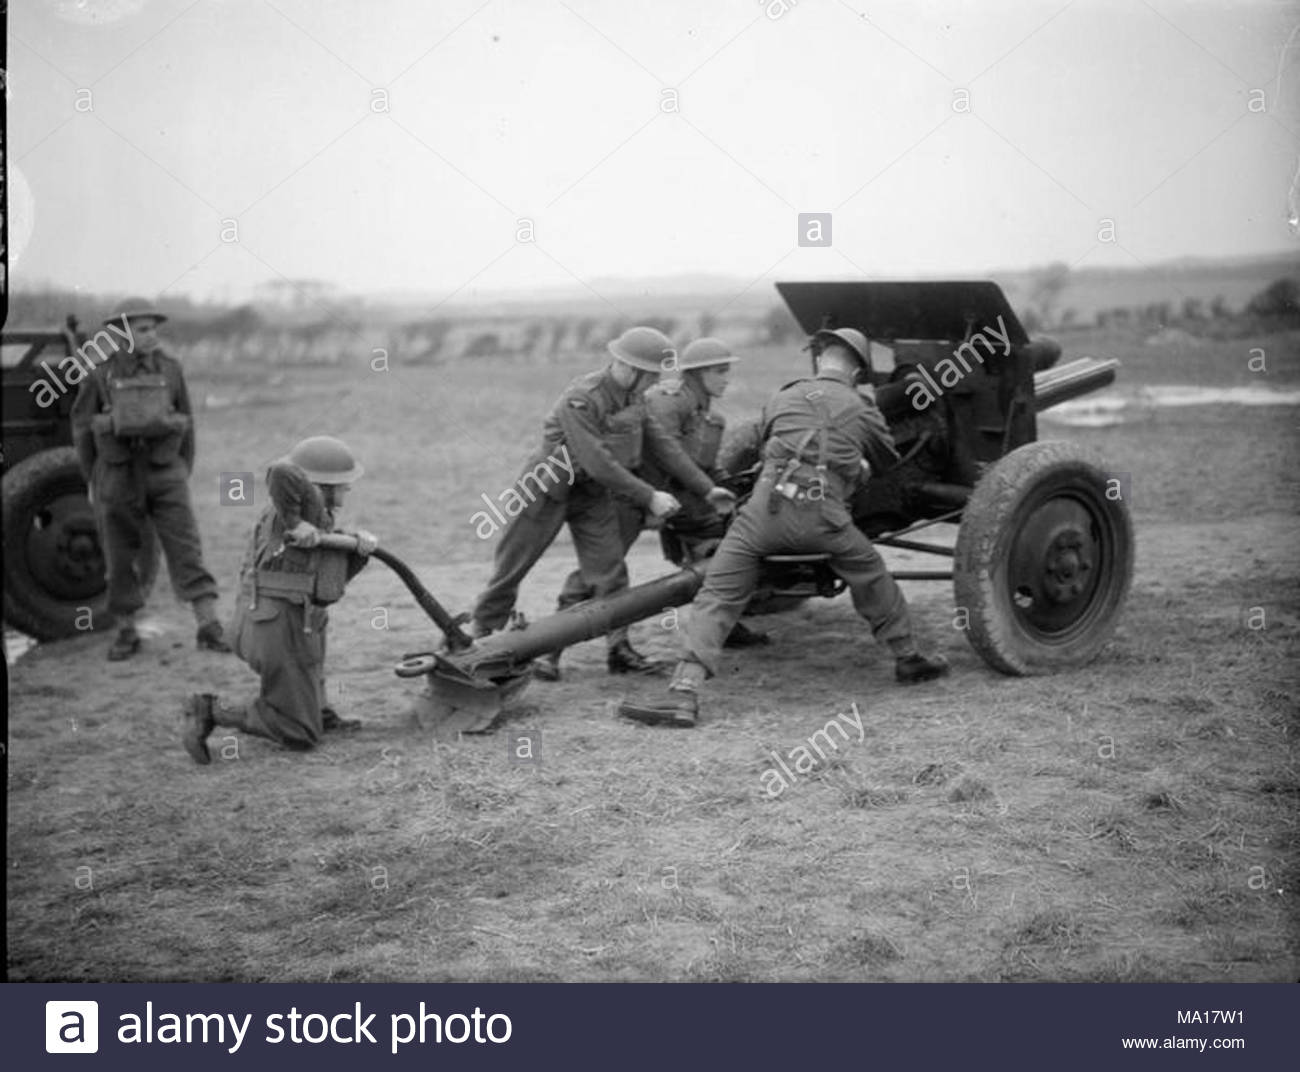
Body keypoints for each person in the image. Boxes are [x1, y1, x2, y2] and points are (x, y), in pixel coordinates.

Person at [618, 327, 950, 728]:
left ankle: (684, 694)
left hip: (762, 514)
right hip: (824, 517)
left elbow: (758, 444)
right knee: (871, 573)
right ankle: (908, 657)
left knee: (718, 593)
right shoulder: (861, 406)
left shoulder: (785, 395)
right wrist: (854, 464)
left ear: (819, 361)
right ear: (858, 372)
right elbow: (885, 460)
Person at [468, 326, 737, 673]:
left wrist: (705, 488)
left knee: (610, 575)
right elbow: (596, 460)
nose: (655, 382)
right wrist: (649, 496)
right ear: (629, 368)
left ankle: (618, 651)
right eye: (651, 374)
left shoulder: (635, 398)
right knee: (511, 570)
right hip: (546, 490)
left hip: (591, 495)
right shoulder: (582, 398)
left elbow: (662, 445)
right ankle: (479, 641)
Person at [535, 337, 763, 682]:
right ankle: (550, 651)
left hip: (678, 504)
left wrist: (726, 488)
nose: (727, 378)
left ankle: (720, 626)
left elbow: (701, 465)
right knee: (599, 573)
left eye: (727, 370)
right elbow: (655, 454)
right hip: (634, 498)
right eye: (720, 371)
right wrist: (652, 500)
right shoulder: (664, 402)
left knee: (719, 552)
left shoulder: (711, 419)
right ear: (698, 374)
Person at [180, 437, 378, 764]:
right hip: (273, 625)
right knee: (300, 735)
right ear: (320, 486)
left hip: (293, 619)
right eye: (342, 485)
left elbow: (329, 586)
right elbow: (280, 470)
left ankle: (317, 710)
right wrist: (297, 522)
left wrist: (357, 547)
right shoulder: (301, 509)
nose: (347, 491)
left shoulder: (319, 516)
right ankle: (211, 710)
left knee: (311, 668)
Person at [70, 297, 231, 660]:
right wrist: (95, 480)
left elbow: (187, 422)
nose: (151, 335)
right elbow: (82, 432)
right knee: (120, 555)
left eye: (153, 328)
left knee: (186, 548)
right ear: (121, 334)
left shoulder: (171, 370)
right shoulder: (99, 375)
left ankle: (208, 625)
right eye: (142, 329)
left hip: (164, 473)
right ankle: (126, 631)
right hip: (117, 474)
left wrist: (178, 470)